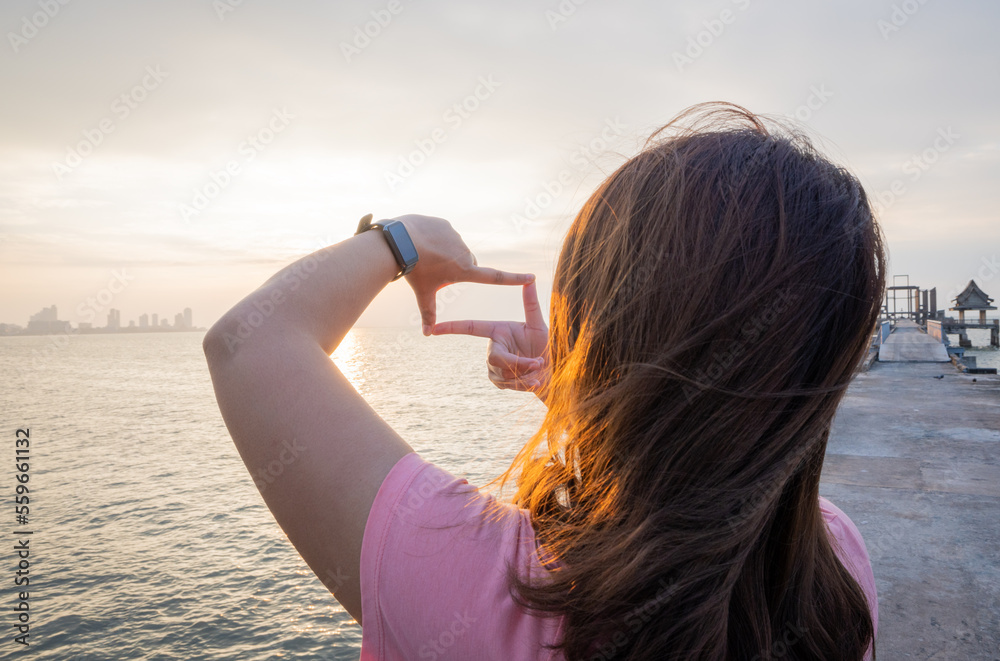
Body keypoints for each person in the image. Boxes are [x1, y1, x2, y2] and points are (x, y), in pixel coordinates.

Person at [204, 102, 881, 660]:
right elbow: (721, 438)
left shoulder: (480, 589)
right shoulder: (838, 573)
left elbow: (249, 343)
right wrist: (587, 386)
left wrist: (404, 240)